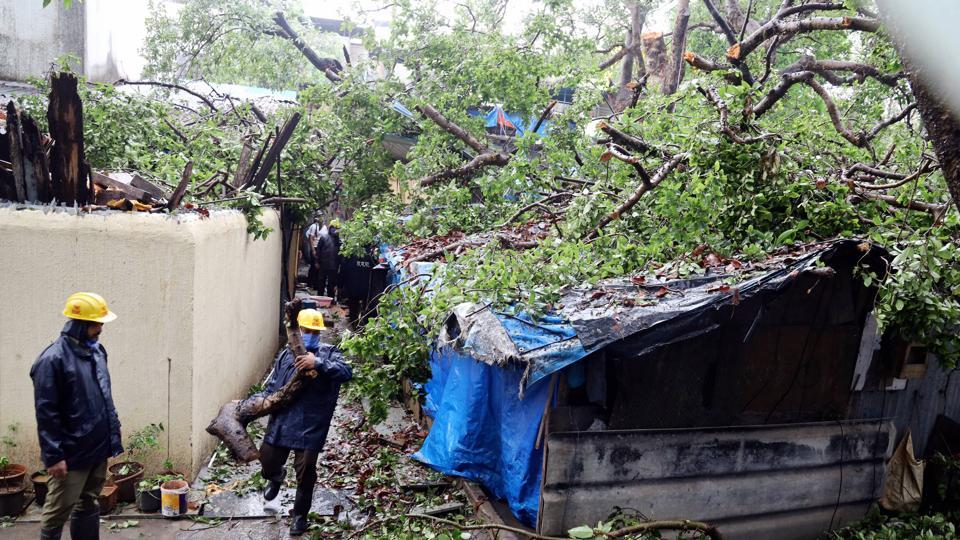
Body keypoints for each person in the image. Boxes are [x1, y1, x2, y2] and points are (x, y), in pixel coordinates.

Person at [31, 292, 123, 540]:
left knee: (89, 502)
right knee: (56, 514)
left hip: (97, 446)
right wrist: (53, 456)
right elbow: (46, 411)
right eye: (96, 323)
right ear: (80, 324)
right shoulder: (52, 360)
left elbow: (104, 396)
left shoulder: (96, 352)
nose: (101, 328)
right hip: (71, 453)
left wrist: (112, 434)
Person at [259, 308, 352, 536]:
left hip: (312, 423)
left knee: (306, 470)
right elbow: (273, 385)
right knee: (267, 460)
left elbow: (346, 371)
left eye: (314, 330)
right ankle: (275, 476)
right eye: (305, 330)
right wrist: (258, 404)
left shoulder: (329, 353)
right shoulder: (285, 354)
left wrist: (317, 363)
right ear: (297, 330)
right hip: (283, 419)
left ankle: (300, 515)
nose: (310, 334)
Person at [339, 245, 377, 327]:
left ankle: (354, 325)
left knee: (353, 308)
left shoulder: (350, 254)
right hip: (366, 289)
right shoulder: (370, 256)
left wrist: (340, 285)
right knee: (365, 308)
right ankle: (362, 326)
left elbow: (343, 270)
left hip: (352, 287)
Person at [314, 219, 341, 299]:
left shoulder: (339, 241)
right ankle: (319, 299)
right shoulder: (323, 238)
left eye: (336, 228)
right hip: (323, 265)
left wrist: (339, 266)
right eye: (333, 227)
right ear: (330, 228)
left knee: (331, 284)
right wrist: (316, 262)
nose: (334, 230)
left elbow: (341, 255)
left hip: (334, 267)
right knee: (321, 283)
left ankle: (330, 300)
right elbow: (318, 251)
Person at [303, 212, 323, 292]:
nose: (321, 218)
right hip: (315, 248)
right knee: (314, 266)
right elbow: (310, 238)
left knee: (318, 268)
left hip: (321, 249)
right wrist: (313, 250)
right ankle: (310, 284)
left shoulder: (323, 226)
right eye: (320, 216)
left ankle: (316, 285)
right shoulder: (314, 226)